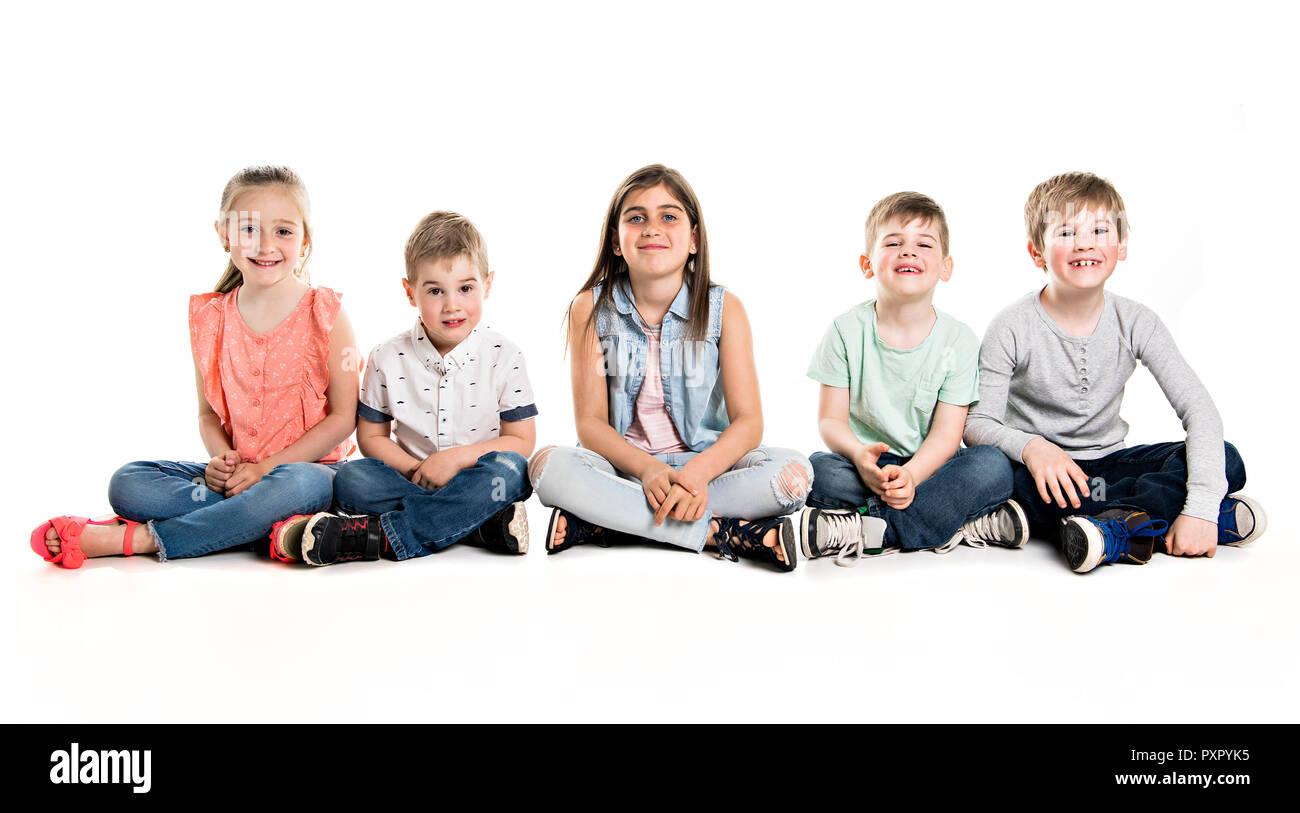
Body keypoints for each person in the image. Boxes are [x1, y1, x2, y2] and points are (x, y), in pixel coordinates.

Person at [31, 165, 357, 567]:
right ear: (224, 235)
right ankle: (252, 526)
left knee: (294, 487)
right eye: (249, 229)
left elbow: (343, 419)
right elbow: (207, 415)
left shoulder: (325, 312)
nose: (266, 245)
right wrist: (223, 461)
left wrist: (268, 469)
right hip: (235, 483)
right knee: (128, 484)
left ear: (305, 241)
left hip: (307, 475)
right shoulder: (211, 318)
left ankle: (138, 539)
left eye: (284, 231)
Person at [963, 171, 1265, 573]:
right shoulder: (1012, 326)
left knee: (1226, 457)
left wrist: (1202, 506)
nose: (1085, 242)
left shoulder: (1137, 321)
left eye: (1100, 230)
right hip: (1043, 477)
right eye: (1067, 232)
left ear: (1120, 246)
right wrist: (1033, 448)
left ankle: (1117, 528)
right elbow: (977, 424)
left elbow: (1200, 411)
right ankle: (1146, 522)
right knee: (1002, 478)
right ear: (1037, 253)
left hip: (1109, 470)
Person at [528, 164, 811, 572]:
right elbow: (590, 425)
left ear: (693, 239)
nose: (652, 228)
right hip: (626, 470)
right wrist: (647, 469)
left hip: (708, 469)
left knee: (794, 475)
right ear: (615, 240)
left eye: (669, 216)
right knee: (547, 468)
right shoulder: (589, 309)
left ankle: (610, 524)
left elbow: (748, 423)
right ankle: (719, 533)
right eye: (636, 217)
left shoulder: (724, 309)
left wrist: (696, 475)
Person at [802, 192, 1027, 566]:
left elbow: (946, 435)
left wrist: (912, 474)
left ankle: (871, 529)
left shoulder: (959, 339)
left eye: (924, 244)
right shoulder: (845, 330)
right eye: (893, 243)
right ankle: (951, 520)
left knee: (993, 466)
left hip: (936, 467)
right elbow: (830, 420)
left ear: (945, 266)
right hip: (870, 466)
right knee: (818, 471)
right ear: (867, 263)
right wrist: (860, 457)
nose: (908, 252)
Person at [300, 211, 535, 565]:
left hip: (475, 477)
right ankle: (478, 526)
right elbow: (370, 438)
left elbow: (521, 441)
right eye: (435, 290)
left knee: (512, 472)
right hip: (409, 479)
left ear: (488, 284)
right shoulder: (386, 356)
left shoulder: (505, 355)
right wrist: (416, 470)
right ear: (410, 292)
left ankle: (379, 538)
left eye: (466, 288)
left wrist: (452, 461)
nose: (452, 304)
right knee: (351, 479)